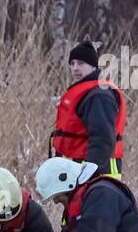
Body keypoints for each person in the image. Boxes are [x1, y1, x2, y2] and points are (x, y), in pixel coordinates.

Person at [52, 41, 126, 178]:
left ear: (93, 66)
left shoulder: (99, 95)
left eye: (81, 63)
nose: (75, 68)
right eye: (72, 63)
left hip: (98, 171)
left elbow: (103, 138)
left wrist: (89, 171)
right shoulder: (88, 92)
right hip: (81, 167)